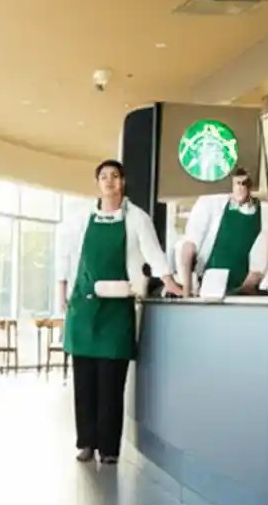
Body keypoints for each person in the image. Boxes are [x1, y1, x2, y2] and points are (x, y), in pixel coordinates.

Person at [58, 160, 181, 464]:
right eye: (104, 176)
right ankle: (86, 443)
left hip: (117, 308)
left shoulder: (137, 218)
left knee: (112, 381)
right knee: (84, 380)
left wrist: (169, 280)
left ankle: (109, 448)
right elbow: (64, 255)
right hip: (84, 307)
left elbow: (153, 251)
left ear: (123, 181)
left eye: (114, 176)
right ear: (97, 183)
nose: (109, 181)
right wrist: (61, 293)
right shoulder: (79, 218)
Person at [177, 167, 268, 297]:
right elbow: (188, 248)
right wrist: (187, 290)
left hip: (243, 290)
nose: (241, 188)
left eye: (245, 183)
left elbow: (265, 247)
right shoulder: (210, 202)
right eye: (237, 183)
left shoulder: (262, 209)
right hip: (210, 286)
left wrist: (249, 285)